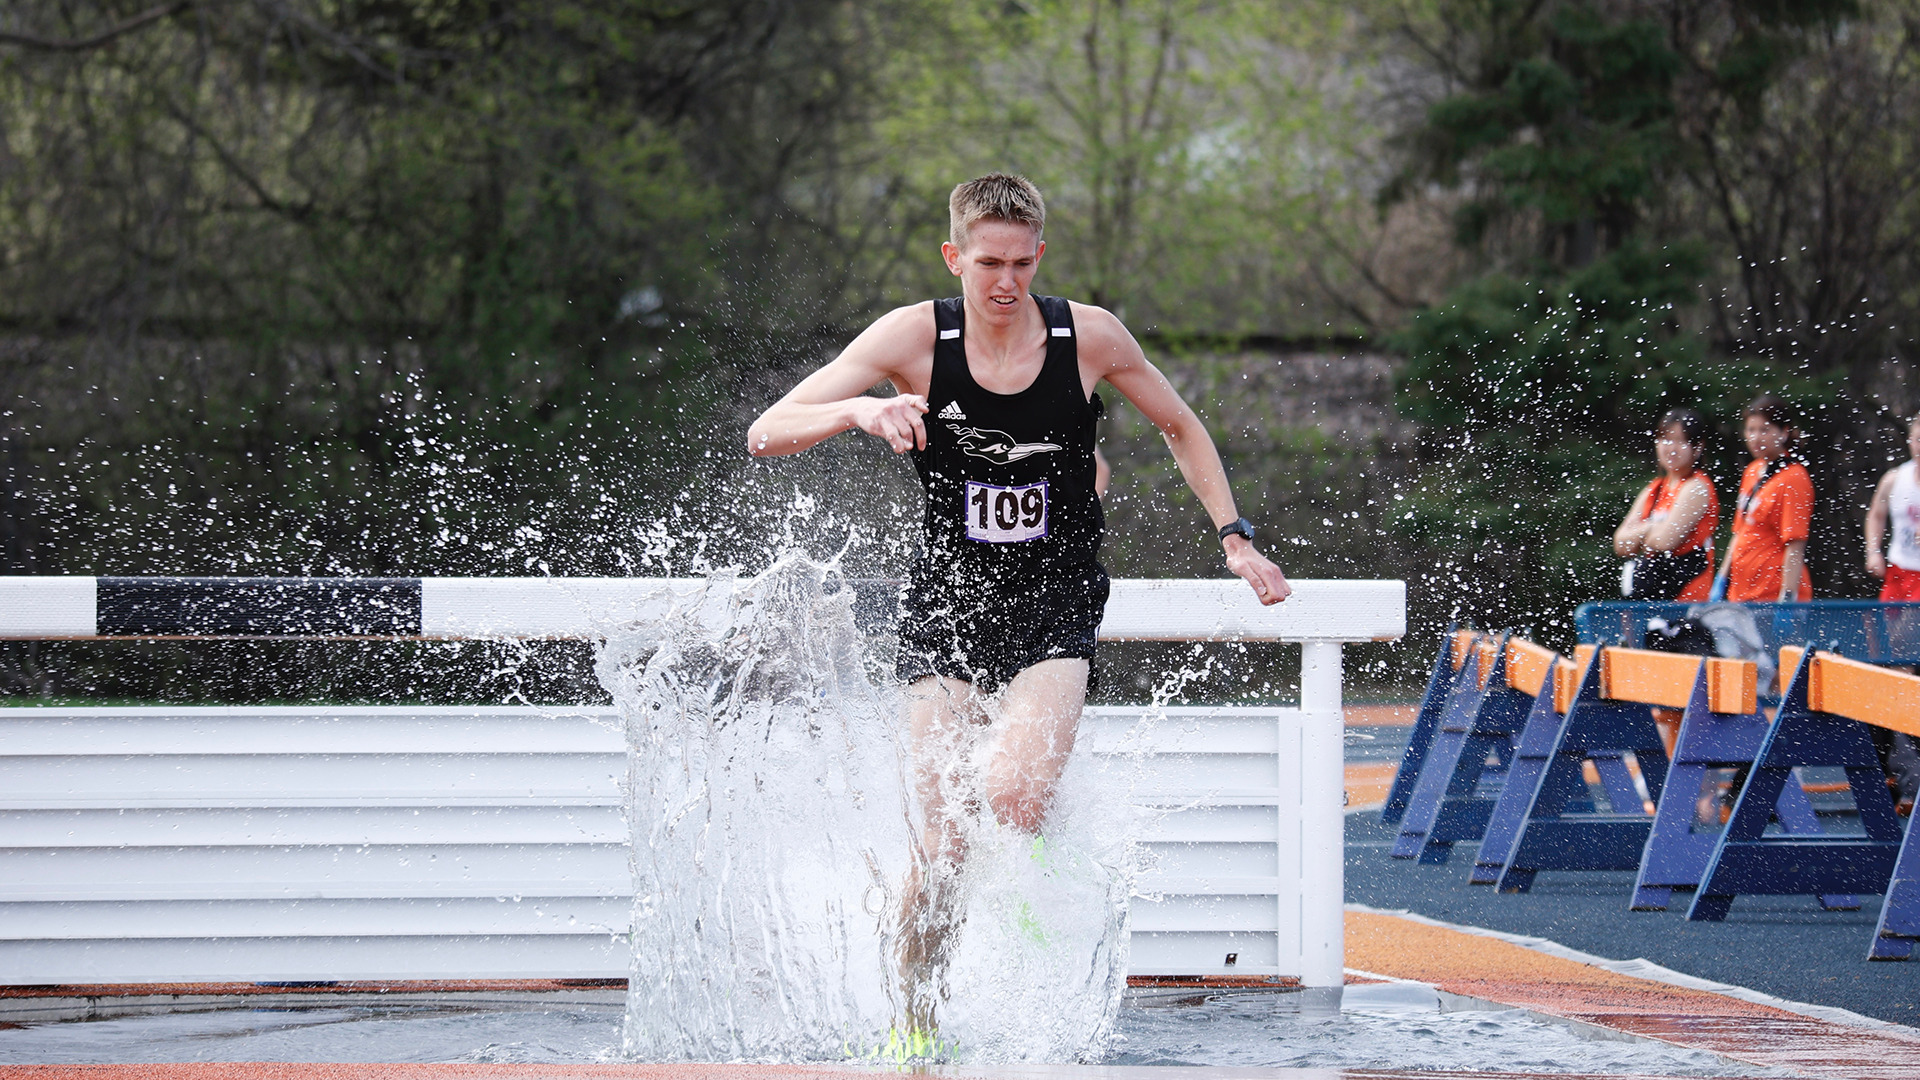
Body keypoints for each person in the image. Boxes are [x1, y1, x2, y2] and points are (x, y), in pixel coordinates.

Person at [746, 174, 1290, 1033]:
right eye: (988, 263)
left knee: (1010, 801)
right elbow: (766, 432)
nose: (1005, 283)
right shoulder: (914, 337)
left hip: (1055, 600)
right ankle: (914, 1027)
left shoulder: (1088, 337)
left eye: (1022, 265)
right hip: (949, 602)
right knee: (941, 849)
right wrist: (857, 408)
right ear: (954, 256)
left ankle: (1035, 867)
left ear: (1041, 256)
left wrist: (1235, 538)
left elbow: (1180, 424)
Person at [1863, 412, 1920, 812]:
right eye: (1918, 438)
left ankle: (1906, 772)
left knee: (1907, 669)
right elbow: (1875, 514)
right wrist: (1873, 550)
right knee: (1891, 667)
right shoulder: (1894, 479)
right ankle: (1899, 773)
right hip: (1900, 577)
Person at [1716, 394, 1813, 603]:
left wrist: (1787, 598)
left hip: (1772, 593)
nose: (1756, 437)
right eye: (1751, 430)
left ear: (1784, 432)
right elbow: (1739, 532)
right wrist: (1722, 578)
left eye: (1765, 430)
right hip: (1742, 592)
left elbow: (1795, 545)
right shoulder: (1752, 471)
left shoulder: (1793, 478)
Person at [1614, 408, 1718, 602]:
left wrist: (1641, 534)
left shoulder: (1697, 486)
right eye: (1666, 440)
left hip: (1686, 604)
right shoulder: (1654, 490)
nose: (1671, 449)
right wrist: (1654, 528)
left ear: (1697, 447)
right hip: (1652, 600)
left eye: (1681, 441)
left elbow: (1666, 541)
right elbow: (1620, 544)